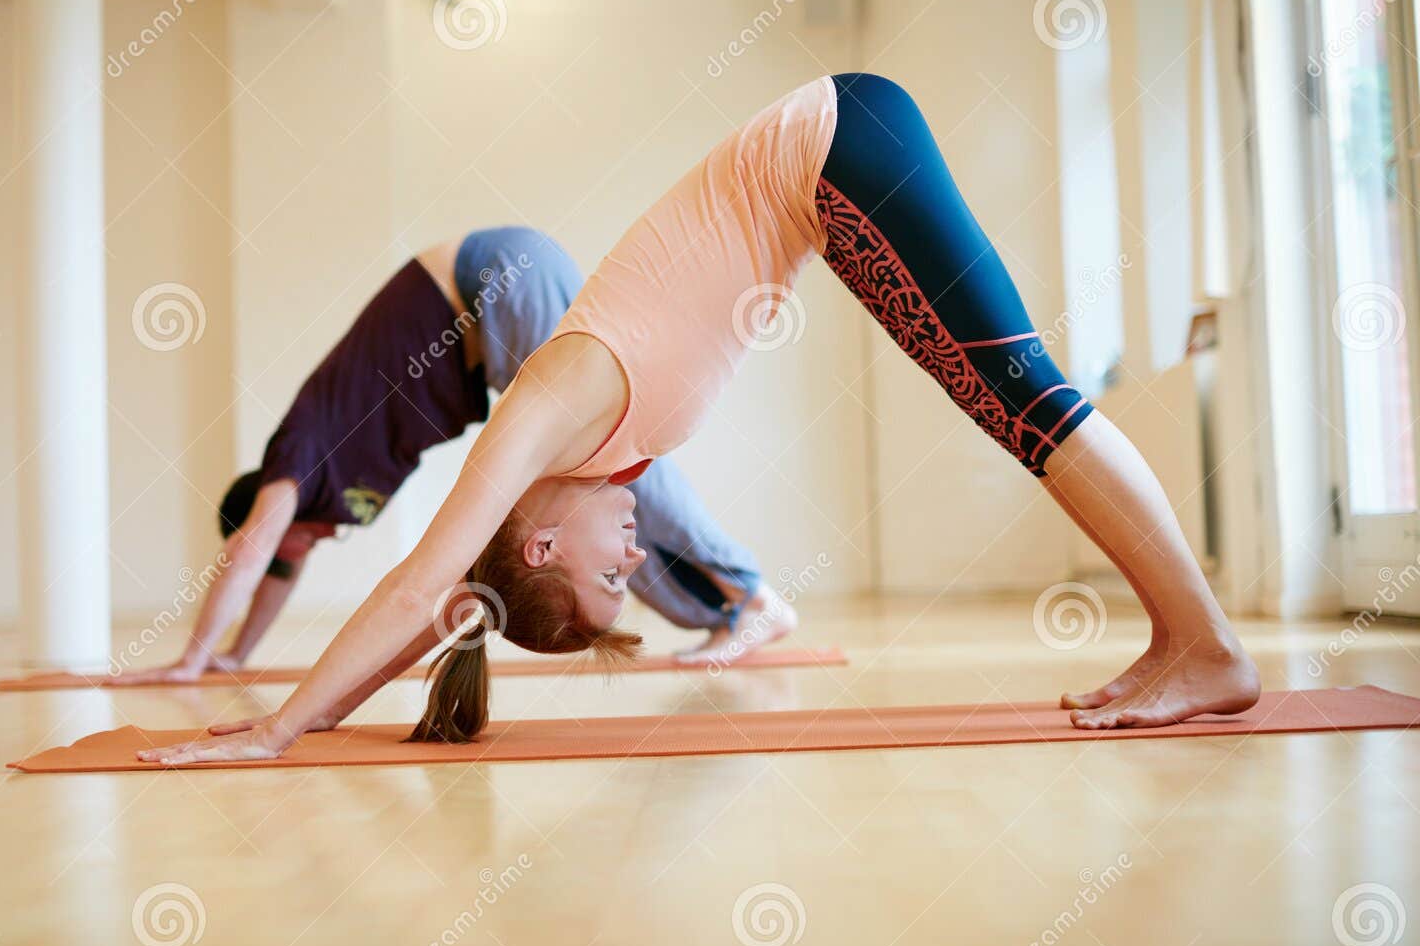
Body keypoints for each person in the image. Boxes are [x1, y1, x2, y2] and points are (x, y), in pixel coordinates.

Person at [140, 72, 1259, 764]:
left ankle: (1201, 645)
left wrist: (283, 724)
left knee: (1024, 401)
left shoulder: (543, 410)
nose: (634, 556)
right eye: (630, 576)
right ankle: (1185, 639)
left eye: (605, 573)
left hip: (835, 147)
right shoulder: (596, 466)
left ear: (539, 540)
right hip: (835, 169)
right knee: (1013, 403)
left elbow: (419, 585)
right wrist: (368, 696)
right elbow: (458, 608)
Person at [116, 227, 794, 688]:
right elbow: (275, 569)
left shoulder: (295, 448)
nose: (310, 545)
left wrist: (192, 658)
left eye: (290, 544)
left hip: (491, 284)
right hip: (494, 331)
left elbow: (255, 547)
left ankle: (753, 592)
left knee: (615, 453)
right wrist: (235, 655)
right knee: (581, 498)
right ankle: (729, 611)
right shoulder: (321, 499)